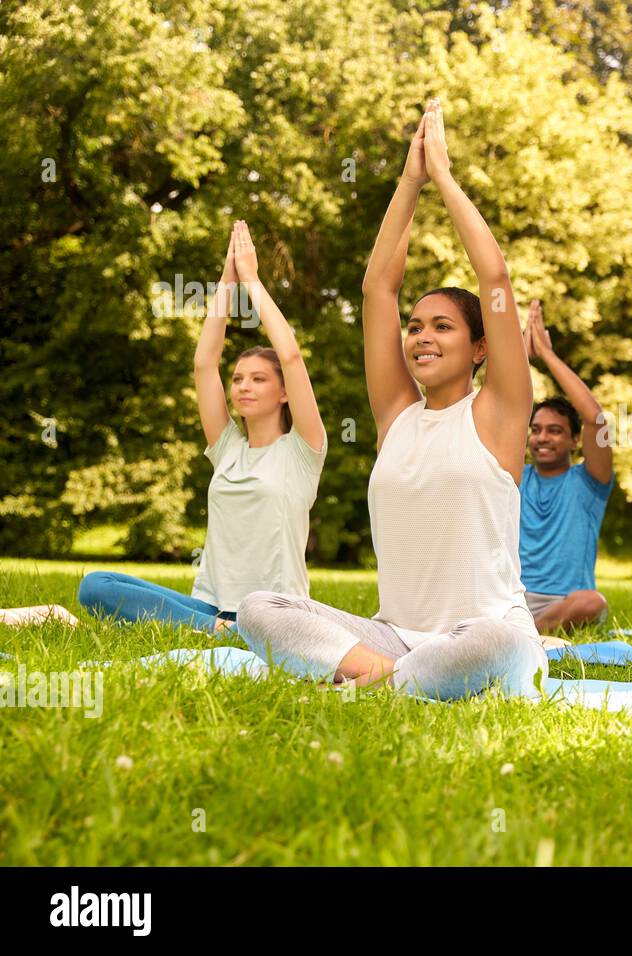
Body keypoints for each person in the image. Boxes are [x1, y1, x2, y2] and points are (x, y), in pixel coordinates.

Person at [237, 99, 547, 700]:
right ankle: (395, 685)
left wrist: (446, 181)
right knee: (260, 607)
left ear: (481, 347)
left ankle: (359, 687)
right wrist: (409, 181)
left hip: (482, 633)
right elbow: (378, 287)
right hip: (395, 637)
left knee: (501, 644)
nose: (421, 336)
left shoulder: (499, 410)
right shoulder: (397, 415)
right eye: (415, 326)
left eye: (443, 326)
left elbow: (496, 283)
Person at [73, 221, 327, 636]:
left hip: (275, 611)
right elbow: (204, 364)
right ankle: (211, 631)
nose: (243, 385)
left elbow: (292, 355)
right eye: (239, 378)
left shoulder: (302, 451)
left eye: (258, 379)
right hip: (210, 606)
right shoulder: (228, 448)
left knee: (243, 621)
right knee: (96, 586)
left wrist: (252, 281)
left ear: (285, 393)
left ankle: (223, 632)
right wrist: (226, 281)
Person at [518, 299, 614, 632]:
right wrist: (518, 355)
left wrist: (546, 354)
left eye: (555, 430)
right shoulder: (514, 477)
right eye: (536, 429)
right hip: (512, 599)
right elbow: (495, 409)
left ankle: (531, 631)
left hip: (564, 603)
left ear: (575, 440)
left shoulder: (589, 483)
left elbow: (596, 419)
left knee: (592, 602)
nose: (542, 437)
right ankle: (526, 628)